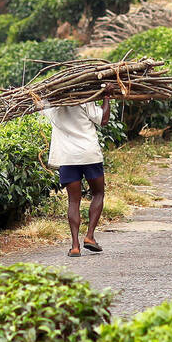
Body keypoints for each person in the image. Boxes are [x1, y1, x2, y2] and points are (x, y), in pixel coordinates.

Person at [37, 95, 110, 257]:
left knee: (73, 200)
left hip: (67, 157)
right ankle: (90, 236)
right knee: (98, 193)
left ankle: (75, 246)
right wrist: (106, 97)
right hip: (89, 154)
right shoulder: (85, 100)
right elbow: (103, 120)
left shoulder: (52, 105)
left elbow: (37, 103)